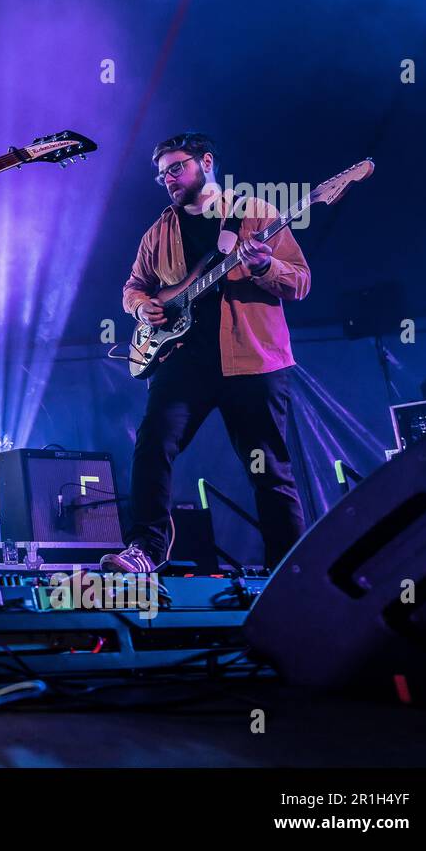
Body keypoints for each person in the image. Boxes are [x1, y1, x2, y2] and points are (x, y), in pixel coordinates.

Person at [107, 132, 309, 573]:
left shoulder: (255, 213)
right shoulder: (158, 232)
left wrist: (263, 266)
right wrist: (143, 306)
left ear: (207, 162)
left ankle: (291, 572)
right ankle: (145, 548)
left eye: (177, 168)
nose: (169, 180)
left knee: (269, 471)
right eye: (162, 174)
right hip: (183, 362)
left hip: (253, 360)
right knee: (153, 445)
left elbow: (299, 282)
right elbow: (132, 288)